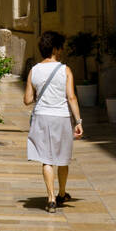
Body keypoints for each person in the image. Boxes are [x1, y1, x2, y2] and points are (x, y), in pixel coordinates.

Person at [24, 30, 83, 213]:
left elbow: (27, 99)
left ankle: (50, 199)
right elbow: (71, 97)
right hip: (62, 118)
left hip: (42, 117)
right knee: (63, 158)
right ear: (56, 48)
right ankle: (62, 192)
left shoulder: (34, 70)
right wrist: (78, 121)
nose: (62, 50)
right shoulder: (65, 70)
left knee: (46, 159)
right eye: (61, 47)